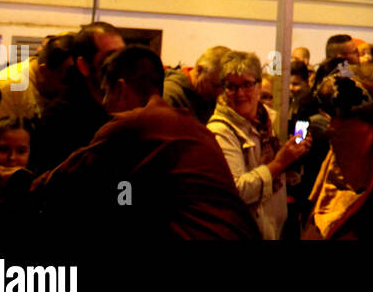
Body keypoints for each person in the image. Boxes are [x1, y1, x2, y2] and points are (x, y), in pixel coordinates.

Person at [28, 46, 262, 239]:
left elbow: (65, 180)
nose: (105, 104)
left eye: (105, 93)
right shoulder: (195, 127)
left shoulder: (133, 124)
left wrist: (15, 182)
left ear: (120, 89)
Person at [208, 51, 310, 239]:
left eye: (246, 85)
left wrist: (294, 158)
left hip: (274, 228)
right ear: (223, 89)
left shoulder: (269, 121)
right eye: (232, 86)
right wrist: (279, 163)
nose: (239, 93)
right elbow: (237, 190)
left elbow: (281, 179)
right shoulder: (220, 130)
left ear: (258, 85)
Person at [36, 22, 124, 169]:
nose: (122, 65)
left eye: (124, 55)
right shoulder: (60, 117)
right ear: (84, 66)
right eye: (111, 58)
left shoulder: (131, 104)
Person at [0, 34, 74, 122]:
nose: (69, 87)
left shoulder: (48, 82)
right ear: (44, 70)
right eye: (66, 80)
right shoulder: (10, 85)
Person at [162, 45, 227, 124]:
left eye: (225, 87)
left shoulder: (207, 97)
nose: (220, 93)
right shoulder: (170, 94)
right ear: (199, 70)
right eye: (215, 86)